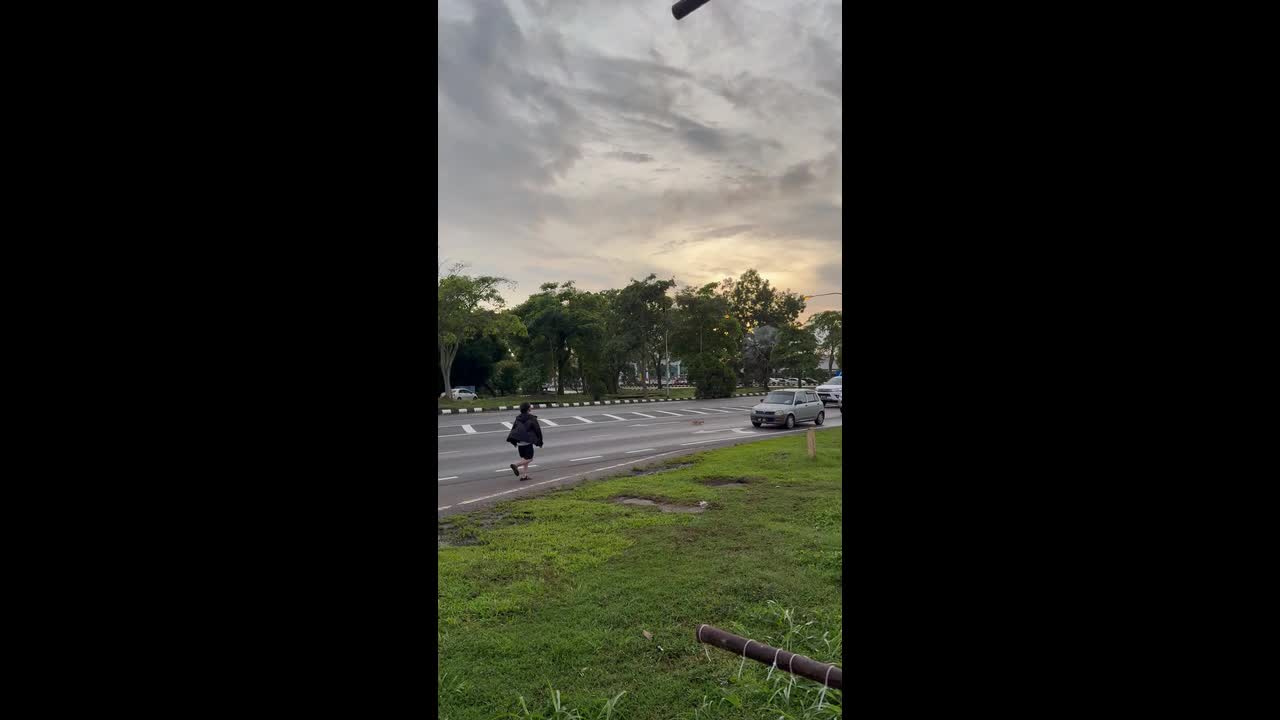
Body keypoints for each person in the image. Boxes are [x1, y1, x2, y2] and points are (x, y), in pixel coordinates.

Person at [506, 402, 543, 481]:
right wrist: (540, 441)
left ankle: (524, 476)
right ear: (528, 409)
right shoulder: (532, 418)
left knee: (524, 459)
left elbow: (514, 429)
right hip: (527, 442)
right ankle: (516, 465)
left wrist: (514, 440)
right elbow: (537, 430)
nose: (531, 407)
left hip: (520, 443)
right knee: (530, 459)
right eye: (530, 406)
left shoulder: (518, 418)